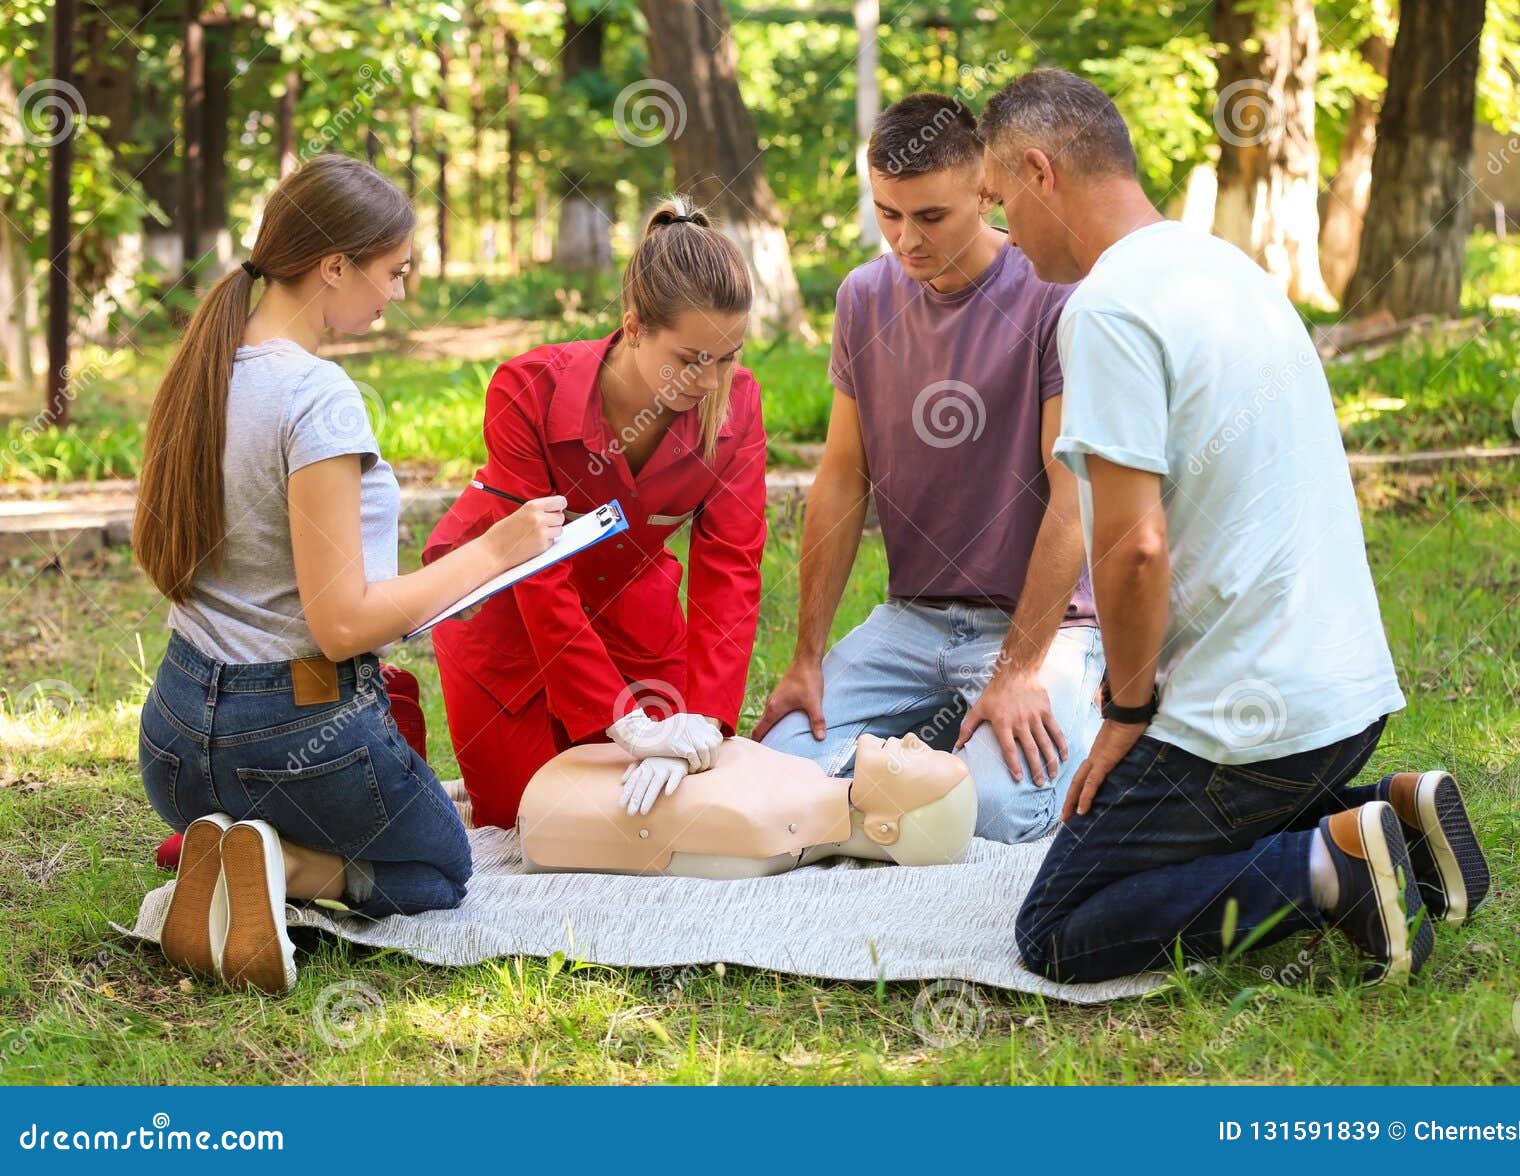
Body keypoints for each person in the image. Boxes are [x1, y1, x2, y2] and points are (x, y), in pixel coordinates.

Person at [978, 68, 1491, 985]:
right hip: (1347, 704)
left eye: (996, 199)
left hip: (1249, 730)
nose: (1001, 230)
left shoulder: (1103, 309)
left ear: (1037, 170)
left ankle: (1329, 870)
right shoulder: (1224, 268)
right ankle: (1390, 816)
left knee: (1058, 926)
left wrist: (1126, 714)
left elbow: (1134, 547)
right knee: (1168, 840)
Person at [133, 155, 567, 994]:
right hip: (294, 734)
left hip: (176, 741)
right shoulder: (317, 395)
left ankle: (223, 844)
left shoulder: (203, 366)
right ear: (334, 265)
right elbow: (340, 625)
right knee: (440, 870)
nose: (399, 291)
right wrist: (497, 550)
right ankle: (276, 867)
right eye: (393, 270)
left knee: (352, 810)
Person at [755, 93, 1100, 845]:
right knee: (770, 767)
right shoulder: (863, 298)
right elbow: (842, 480)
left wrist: (1018, 671)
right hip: (912, 621)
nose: (905, 240)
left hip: (1043, 629)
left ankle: (1036, 734)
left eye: (930, 217)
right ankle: (923, 775)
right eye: (888, 213)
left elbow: (1072, 500)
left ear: (986, 187)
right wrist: (807, 659)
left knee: (1002, 810)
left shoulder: (1052, 293)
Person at [422, 198, 768, 830]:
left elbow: (732, 568)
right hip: (505, 607)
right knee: (531, 819)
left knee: (663, 813)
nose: (712, 379)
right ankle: (446, 796)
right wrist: (623, 719)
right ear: (634, 327)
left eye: (728, 355)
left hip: (630, 604)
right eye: (692, 357)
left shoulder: (739, 404)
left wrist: (708, 723)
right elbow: (535, 570)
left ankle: (447, 793)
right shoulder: (527, 388)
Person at [518, 733, 976, 877]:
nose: (917, 739)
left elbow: (639, 828)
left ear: (883, 830)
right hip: (568, 766)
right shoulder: (802, 780)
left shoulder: (761, 832)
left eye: (922, 760)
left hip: (548, 803)